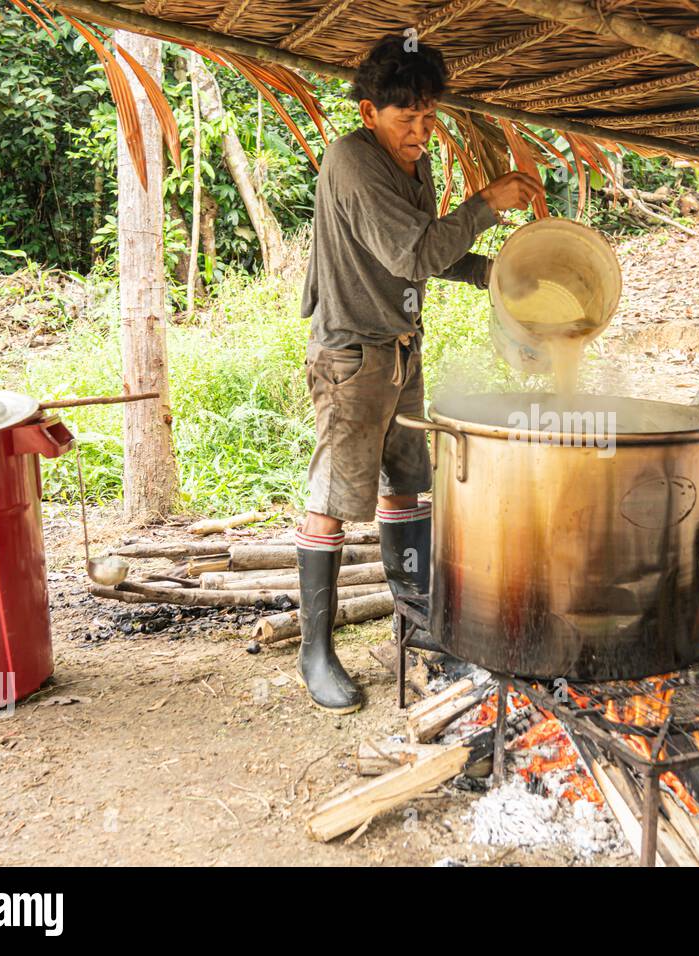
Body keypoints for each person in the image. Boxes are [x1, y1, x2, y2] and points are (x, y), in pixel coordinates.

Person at [294, 35, 542, 714]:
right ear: (370, 112)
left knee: (408, 485)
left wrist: (499, 276)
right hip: (351, 352)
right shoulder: (353, 161)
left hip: (401, 345)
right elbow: (412, 252)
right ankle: (314, 650)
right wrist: (488, 202)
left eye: (428, 120)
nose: (419, 134)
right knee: (336, 497)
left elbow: (430, 251)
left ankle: (417, 622)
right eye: (406, 122)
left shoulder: (414, 164)